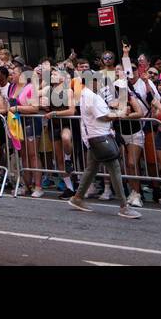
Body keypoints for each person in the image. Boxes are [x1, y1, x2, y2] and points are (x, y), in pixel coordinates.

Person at [69, 71, 141, 219]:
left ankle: (77, 198)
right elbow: (103, 116)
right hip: (99, 137)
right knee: (114, 169)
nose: (101, 83)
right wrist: (120, 113)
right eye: (98, 80)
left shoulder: (87, 94)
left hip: (94, 136)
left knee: (92, 168)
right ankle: (124, 206)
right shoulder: (91, 96)